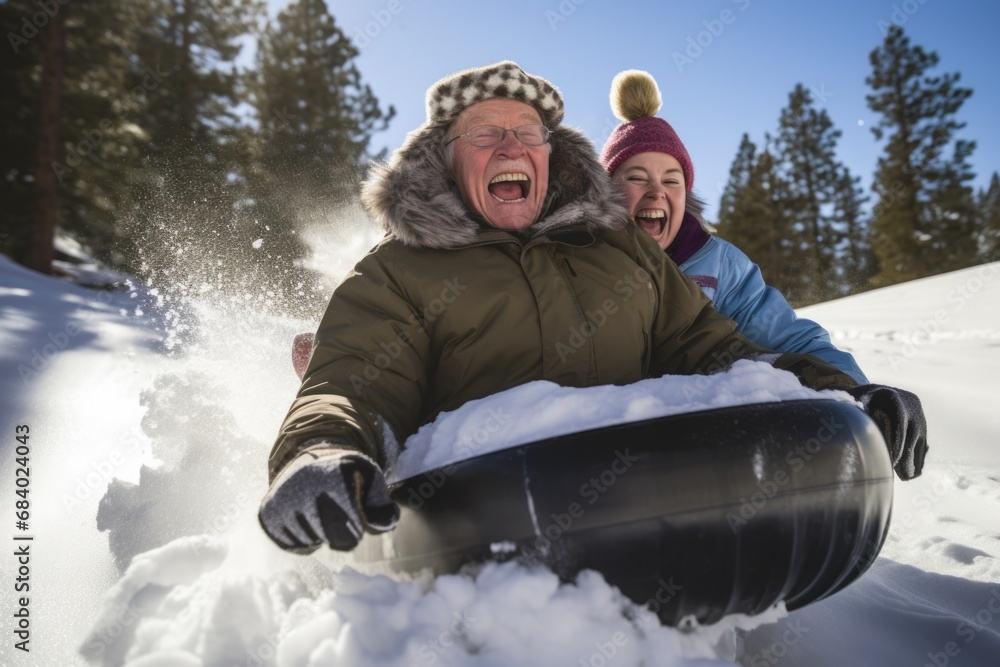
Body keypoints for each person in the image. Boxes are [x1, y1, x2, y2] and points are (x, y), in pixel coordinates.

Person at [258, 61, 926, 555]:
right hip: (488, 537)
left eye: (529, 134)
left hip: (658, 517)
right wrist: (318, 449)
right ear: (444, 158)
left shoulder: (624, 252)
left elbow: (724, 354)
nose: (514, 148)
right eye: (487, 134)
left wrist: (843, 394)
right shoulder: (396, 272)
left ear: (553, 156)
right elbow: (351, 382)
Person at [599, 70, 868, 384]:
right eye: (637, 178)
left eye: (672, 180)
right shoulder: (578, 259)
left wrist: (857, 390)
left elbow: (786, 336)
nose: (657, 191)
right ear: (605, 191)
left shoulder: (721, 266)